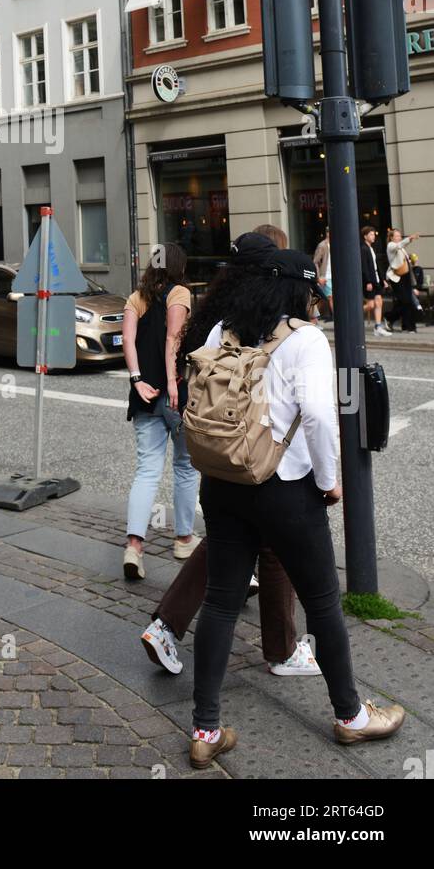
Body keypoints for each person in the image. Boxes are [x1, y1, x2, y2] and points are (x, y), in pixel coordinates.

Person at [187, 236, 404, 769]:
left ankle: (205, 728)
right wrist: (330, 482)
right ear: (295, 293)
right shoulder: (305, 340)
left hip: (221, 481)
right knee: (324, 602)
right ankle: (351, 717)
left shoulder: (222, 330)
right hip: (283, 488)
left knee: (218, 601)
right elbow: (320, 417)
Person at [141, 230, 318, 681]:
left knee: (238, 544)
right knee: (263, 549)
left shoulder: (216, 311)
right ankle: (281, 654)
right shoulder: (259, 314)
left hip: (213, 445)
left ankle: (169, 627)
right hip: (252, 455)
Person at [122, 243, 199, 578]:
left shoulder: (136, 298)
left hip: (143, 396)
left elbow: (126, 341)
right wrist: (172, 382)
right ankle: (183, 538)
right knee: (185, 466)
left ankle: (134, 547)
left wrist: (138, 380)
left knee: (147, 471)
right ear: (178, 267)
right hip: (176, 395)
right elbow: (174, 337)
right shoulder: (179, 293)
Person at [385, 228, 421, 333]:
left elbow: (405, 261)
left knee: (407, 301)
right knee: (405, 301)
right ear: (391, 237)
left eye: (399, 236)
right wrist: (410, 238)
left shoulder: (402, 249)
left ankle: (407, 326)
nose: (399, 237)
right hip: (396, 277)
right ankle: (390, 318)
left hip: (405, 277)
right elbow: (399, 245)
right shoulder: (391, 245)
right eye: (396, 236)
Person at [361, 226, 390, 337]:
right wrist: (368, 281)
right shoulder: (363, 249)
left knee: (379, 302)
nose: (373, 236)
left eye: (374, 234)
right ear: (365, 236)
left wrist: (382, 280)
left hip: (376, 280)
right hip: (370, 281)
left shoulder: (371, 248)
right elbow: (364, 267)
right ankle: (354, 315)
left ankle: (378, 326)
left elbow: (376, 266)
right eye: (371, 234)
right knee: (370, 305)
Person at [313, 226, 333, 319]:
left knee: (321, 299)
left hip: (334, 276)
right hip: (325, 276)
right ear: (327, 233)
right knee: (331, 297)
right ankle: (339, 320)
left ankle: (313, 318)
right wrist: (319, 277)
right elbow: (315, 261)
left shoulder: (337, 244)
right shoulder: (322, 245)